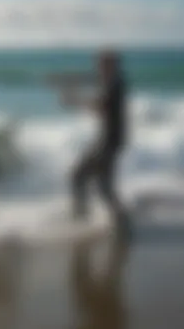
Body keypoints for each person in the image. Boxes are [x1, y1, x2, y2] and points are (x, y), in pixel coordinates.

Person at [52, 50, 131, 238]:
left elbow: (100, 107)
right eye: (98, 64)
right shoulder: (114, 82)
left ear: (111, 65)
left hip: (109, 142)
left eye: (102, 64)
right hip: (110, 140)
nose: (98, 68)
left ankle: (82, 219)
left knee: (78, 176)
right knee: (103, 186)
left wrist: (73, 101)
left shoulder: (116, 85)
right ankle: (120, 222)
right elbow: (102, 105)